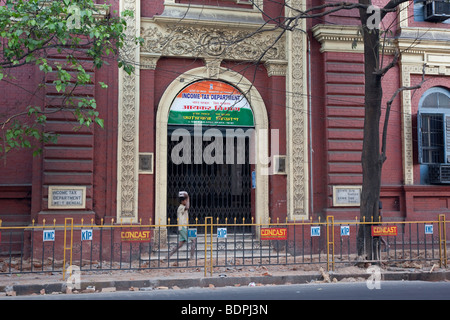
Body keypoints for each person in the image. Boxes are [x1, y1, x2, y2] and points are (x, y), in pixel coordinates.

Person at [165, 191, 196, 260]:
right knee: (194, 239)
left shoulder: (182, 207)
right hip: (183, 227)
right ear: (182, 201)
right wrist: (188, 197)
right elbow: (187, 207)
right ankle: (192, 257)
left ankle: (168, 255)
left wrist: (187, 197)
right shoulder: (181, 207)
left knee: (180, 244)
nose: (186, 201)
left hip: (183, 228)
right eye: (185, 200)